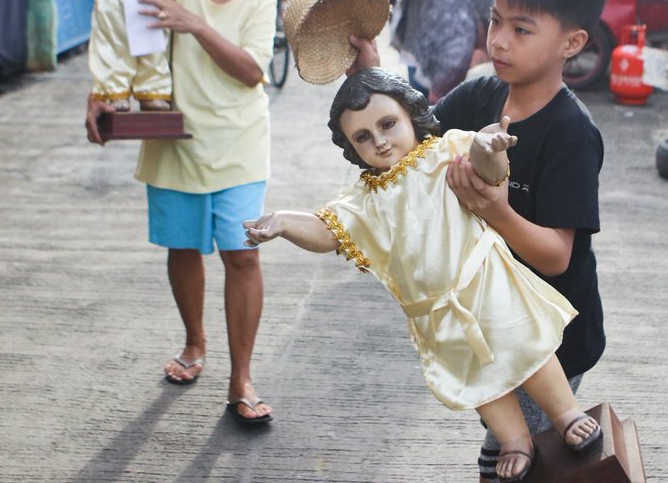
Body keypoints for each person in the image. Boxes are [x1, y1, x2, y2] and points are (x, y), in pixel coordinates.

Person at [244, 68, 601, 482]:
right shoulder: (364, 200)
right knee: (478, 380)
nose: (378, 140)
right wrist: (285, 222)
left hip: (486, 284)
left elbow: (487, 167)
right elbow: (328, 231)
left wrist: (490, 144)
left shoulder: (445, 151)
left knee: (527, 348)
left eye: (387, 124)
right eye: (362, 136)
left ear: (412, 114)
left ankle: (565, 413)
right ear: (351, 147)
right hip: (437, 314)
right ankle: (514, 440)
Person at [351, 0, 611, 482]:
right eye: (495, 21)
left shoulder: (571, 134)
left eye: (522, 29)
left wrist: (495, 210)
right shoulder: (478, 96)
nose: (499, 40)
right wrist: (368, 74)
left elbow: (557, 256)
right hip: (487, 325)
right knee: (506, 447)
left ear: (572, 42)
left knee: (518, 462)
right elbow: (406, 153)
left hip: (551, 338)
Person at [85, 0, 277, 424]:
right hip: (172, 136)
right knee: (182, 247)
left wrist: (194, 23)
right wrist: (101, 93)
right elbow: (124, 38)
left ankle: (241, 378)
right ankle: (196, 342)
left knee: (243, 254)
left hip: (239, 140)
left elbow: (251, 72)